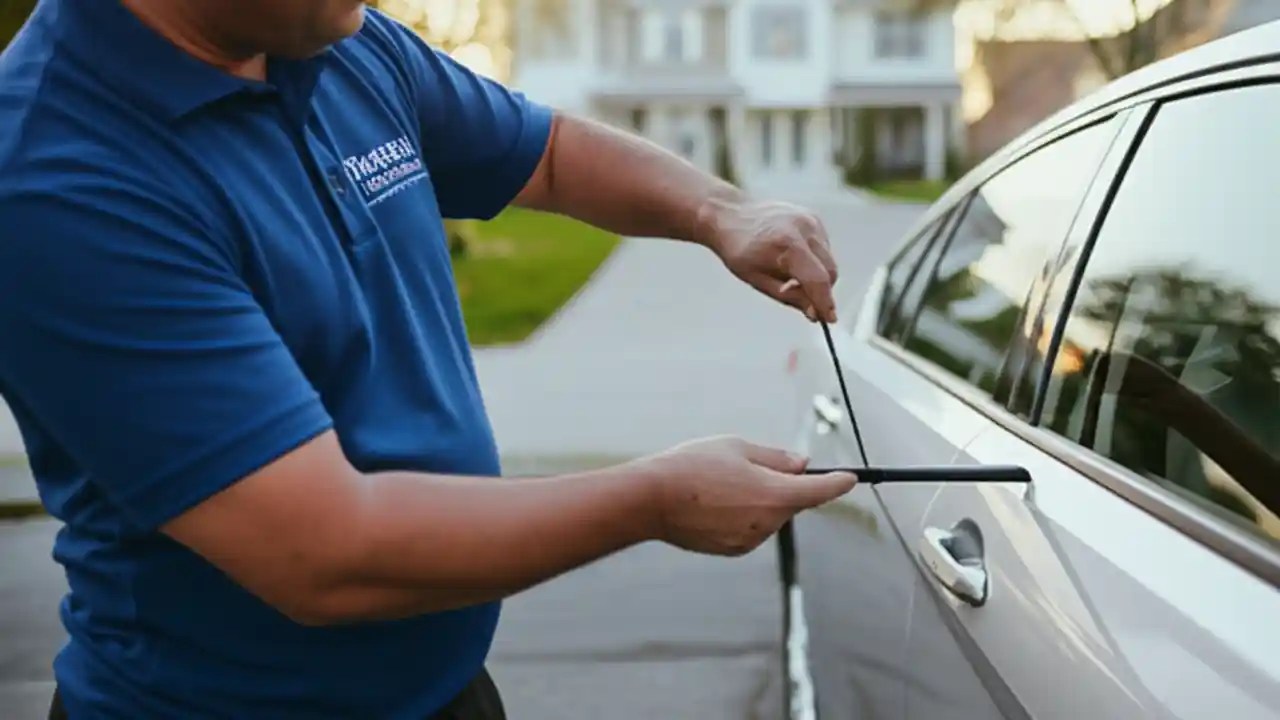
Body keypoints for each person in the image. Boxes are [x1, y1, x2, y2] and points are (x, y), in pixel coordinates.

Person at [0, 1, 857, 718]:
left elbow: (548, 155)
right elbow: (326, 556)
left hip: (444, 690)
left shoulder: (334, 38)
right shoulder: (58, 176)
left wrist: (721, 211)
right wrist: (656, 501)